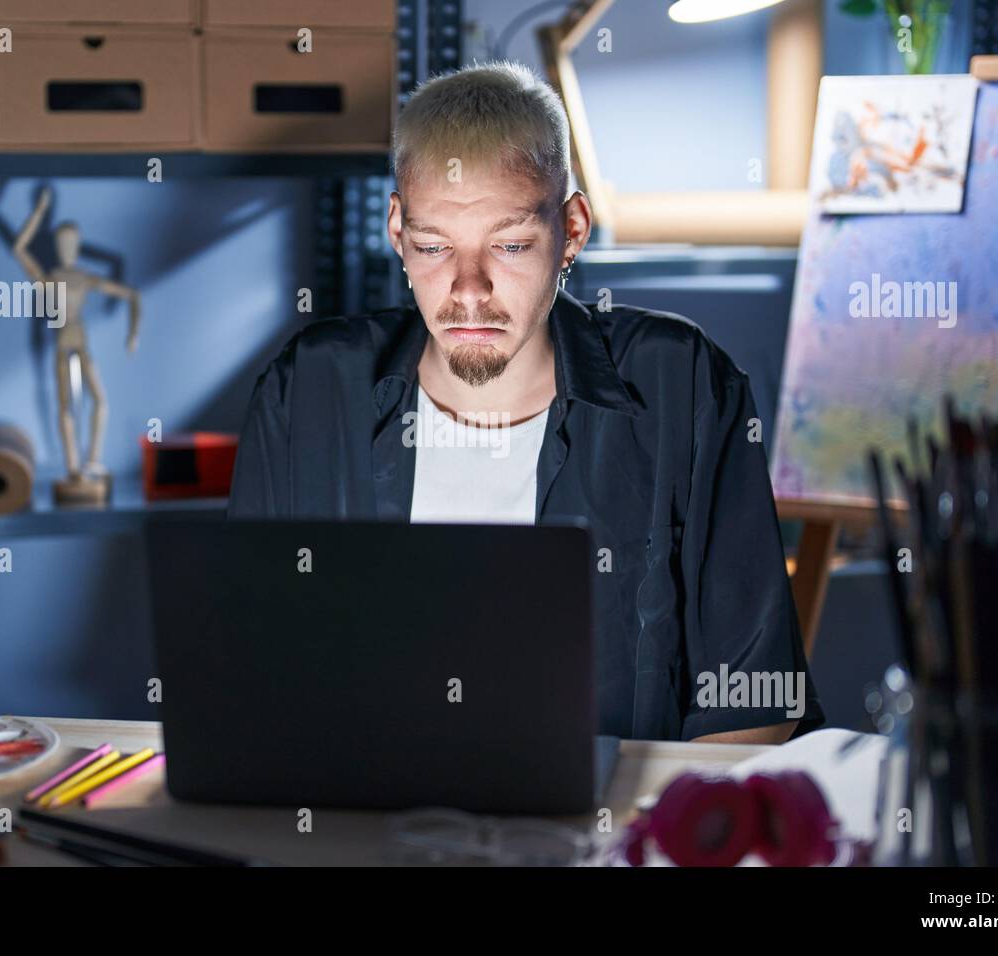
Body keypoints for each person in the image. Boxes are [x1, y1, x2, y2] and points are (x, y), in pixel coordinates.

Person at [229, 62, 822, 743]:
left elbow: (756, 707)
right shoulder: (306, 389)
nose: (469, 289)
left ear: (571, 229)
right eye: (433, 247)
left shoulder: (681, 383)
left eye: (509, 245)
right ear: (396, 230)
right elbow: (250, 684)